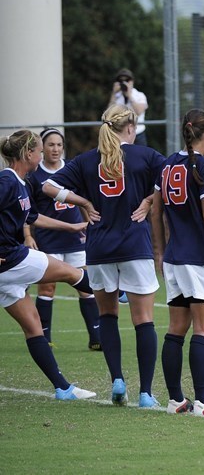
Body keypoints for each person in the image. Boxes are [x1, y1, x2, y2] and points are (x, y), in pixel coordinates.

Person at [42, 104, 166, 406]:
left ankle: (117, 380)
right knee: (144, 320)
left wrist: (82, 201)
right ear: (131, 127)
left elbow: (47, 185)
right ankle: (146, 394)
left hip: (98, 248)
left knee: (107, 315)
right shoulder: (145, 155)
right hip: (135, 246)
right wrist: (150, 201)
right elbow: (173, 179)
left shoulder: (86, 160)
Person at [138, 109, 204, 415]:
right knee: (202, 328)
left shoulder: (167, 165)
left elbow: (155, 212)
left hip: (174, 258)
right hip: (201, 259)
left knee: (176, 328)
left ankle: (176, 400)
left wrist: (160, 250)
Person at [1, 129, 97, 400]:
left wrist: (70, 226)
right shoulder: (6, 181)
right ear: (27, 154)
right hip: (11, 259)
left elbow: (33, 217)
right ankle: (116, 291)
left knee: (33, 327)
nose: (43, 155)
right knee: (71, 273)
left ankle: (63, 388)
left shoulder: (21, 183)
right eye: (40, 151)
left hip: (8, 268)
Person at [25, 128, 101, 351]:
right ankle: (44, 338)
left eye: (59, 145)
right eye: (50, 145)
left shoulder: (71, 169)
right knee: (47, 288)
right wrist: (28, 235)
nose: (55, 149)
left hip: (76, 237)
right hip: (49, 239)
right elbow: (27, 211)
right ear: (42, 148)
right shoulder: (34, 175)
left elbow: (84, 200)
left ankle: (96, 337)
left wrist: (90, 225)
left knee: (86, 286)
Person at [108, 68, 149, 148]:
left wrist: (129, 95)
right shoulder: (116, 97)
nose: (124, 83)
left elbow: (139, 111)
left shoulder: (139, 95)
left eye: (127, 80)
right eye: (121, 81)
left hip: (138, 134)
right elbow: (108, 115)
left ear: (132, 81)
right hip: (120, 135)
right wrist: (113, 94)